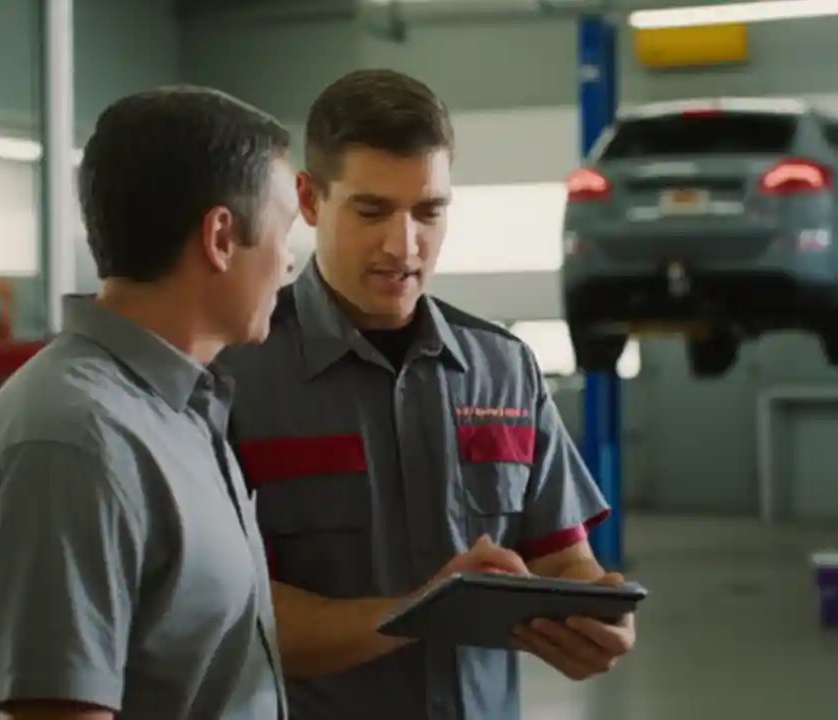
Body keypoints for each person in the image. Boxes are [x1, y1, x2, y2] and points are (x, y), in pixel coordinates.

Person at [217, 68, 637, 720]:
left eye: (429, 211)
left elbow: (561, 555)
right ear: (309, 200)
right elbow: (224, 613)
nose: (403, 246)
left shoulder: (504, 370)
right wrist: (423, 612)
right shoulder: (233, 375)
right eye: (372, 210)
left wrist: (595, 612)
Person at [0, 85, 302, 720]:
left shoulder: (181, 412)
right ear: (221, 236)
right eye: (286, 231)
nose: (288, 263)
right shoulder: (71, 442)